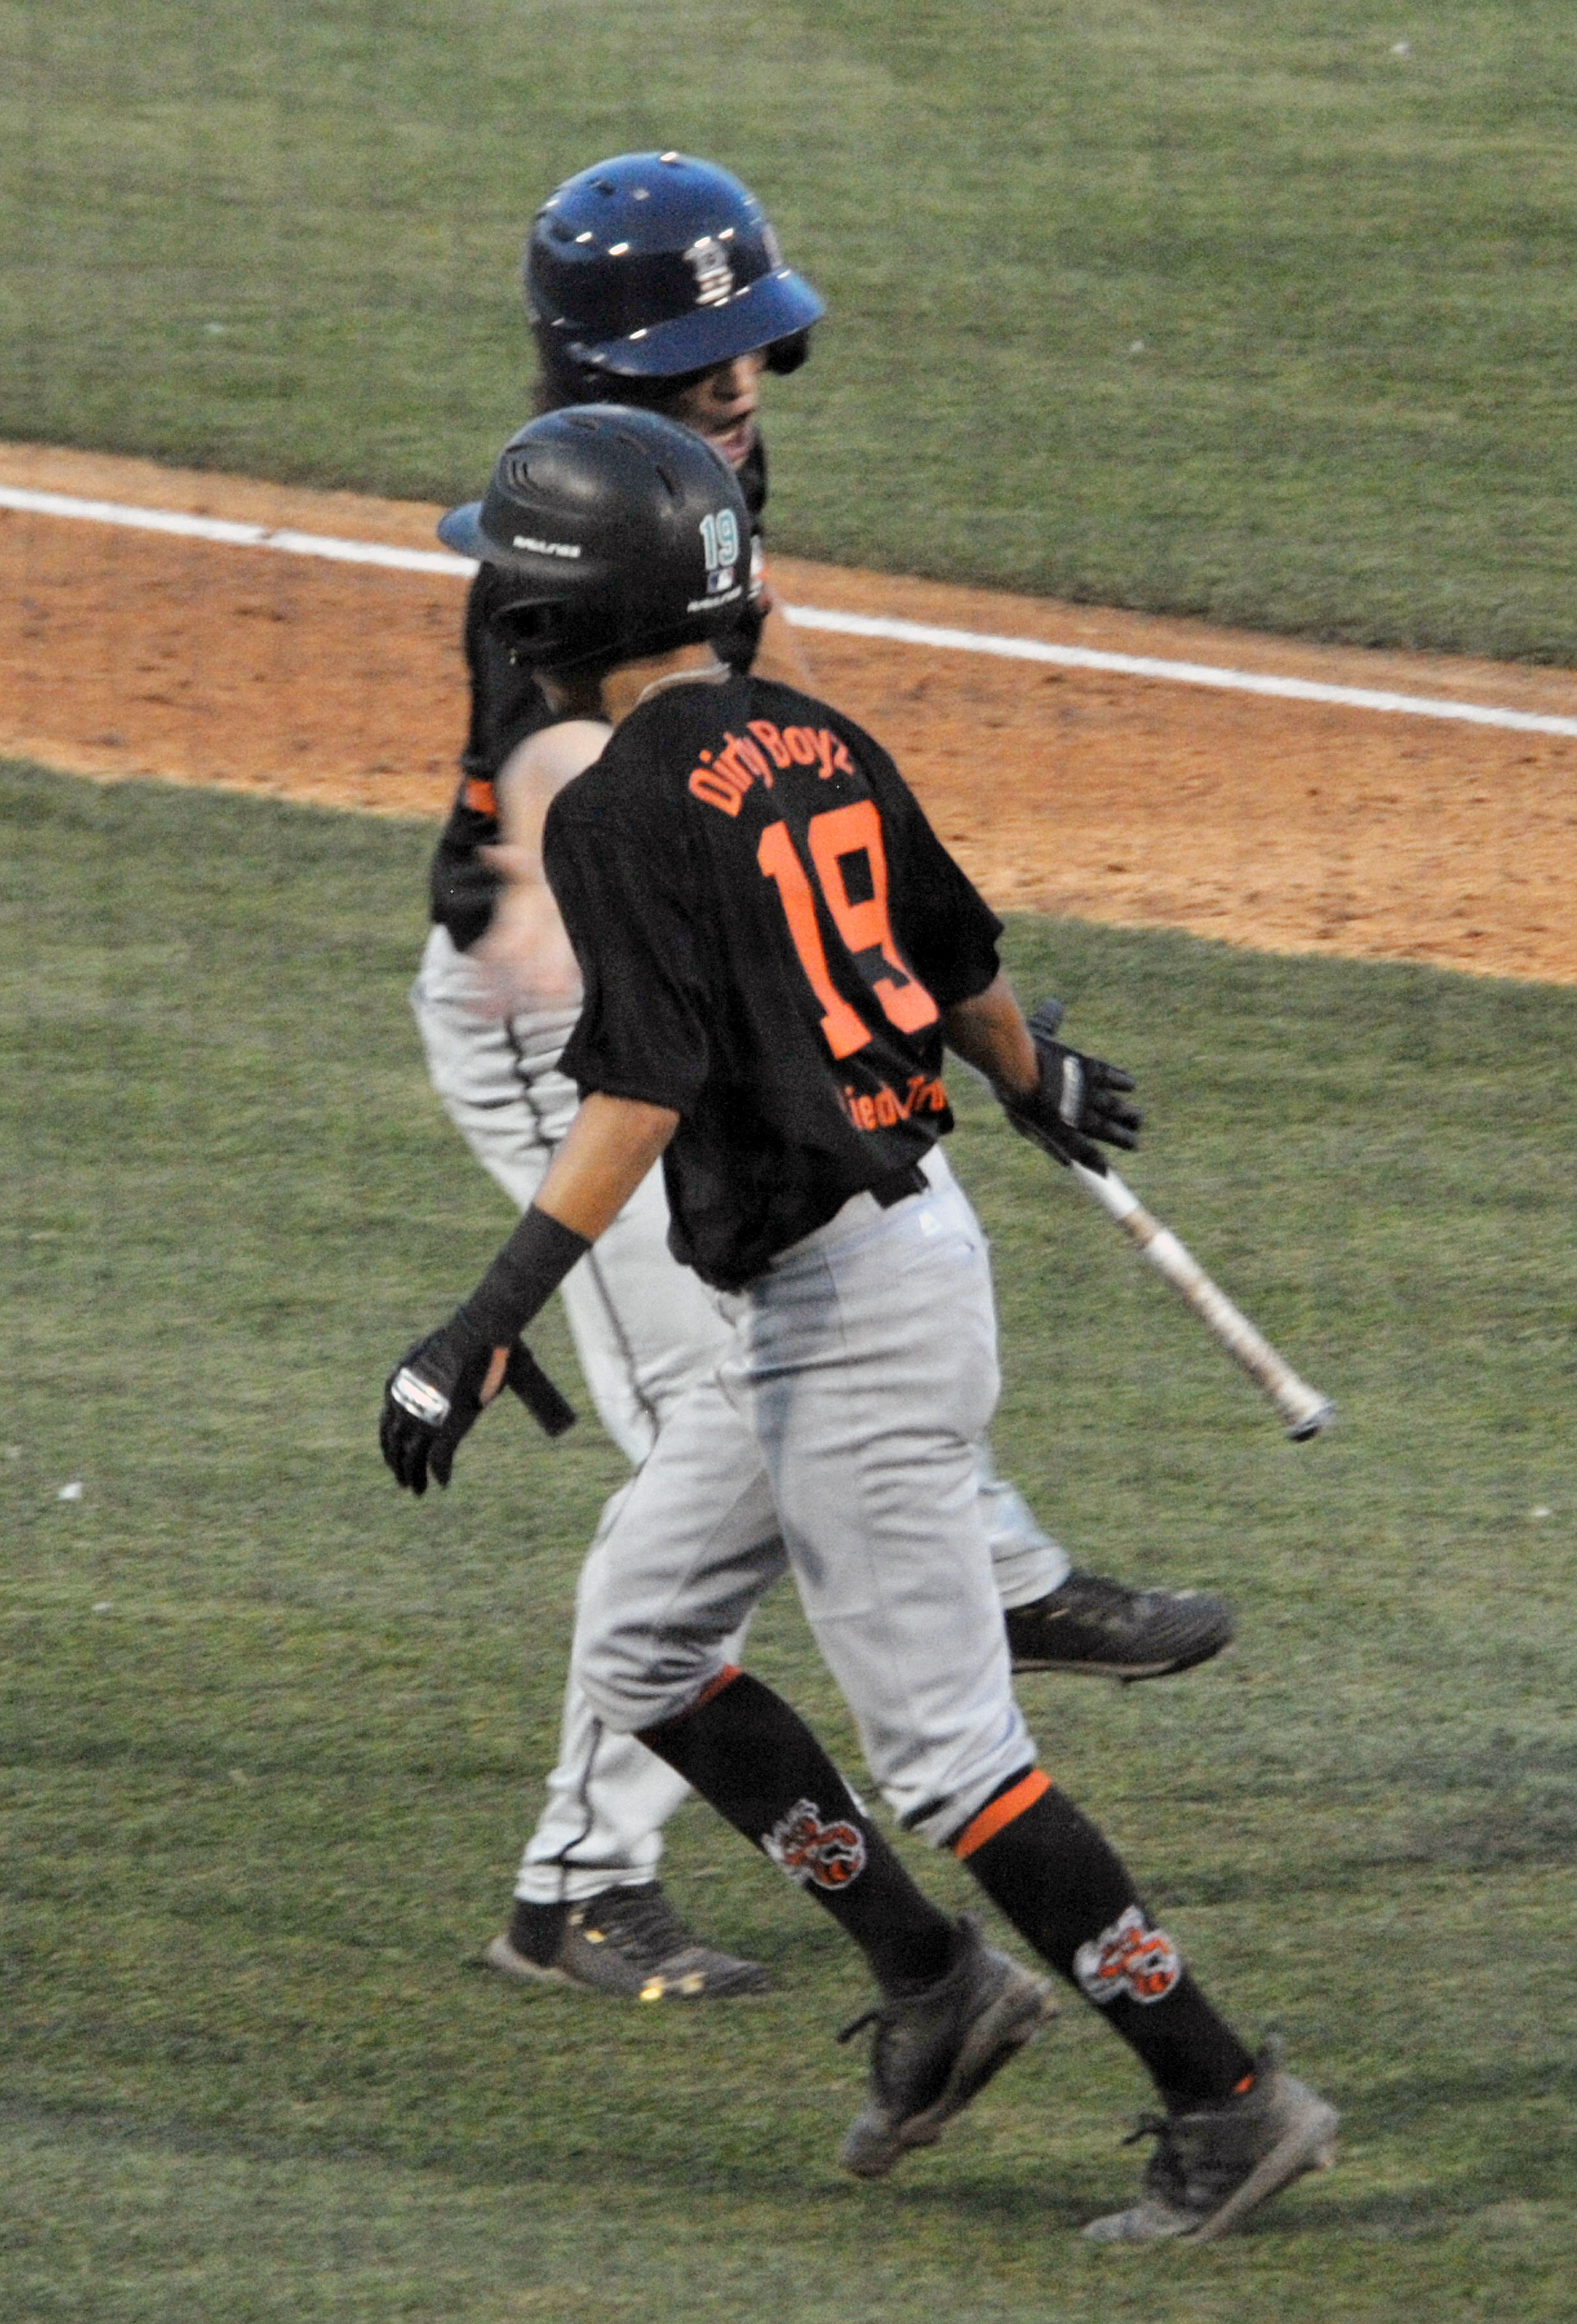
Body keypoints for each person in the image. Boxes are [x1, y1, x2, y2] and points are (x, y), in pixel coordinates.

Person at [383, 405, 1340, 2245]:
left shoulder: (614, 804)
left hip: (852, 1323)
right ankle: (935, 1986)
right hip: (854, 1273)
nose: (494, 596)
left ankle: (1226, 2097)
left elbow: (642, 1089)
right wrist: (1033, 1067)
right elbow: (953, 949)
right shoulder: (809, 734)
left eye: (509, 571)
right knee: (647, 1639)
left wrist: (480, 1324)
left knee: (954, 1761)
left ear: (559, 608)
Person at [412, 151, 1232, 2004]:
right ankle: (583, 1883)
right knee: (719, 1419)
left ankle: (981, 1576)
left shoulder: (699, 493)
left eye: (748, 341)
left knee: (768, 1406)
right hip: (566, 1012)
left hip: (688, 981)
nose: (739, 376)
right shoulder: (550, 568)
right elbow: (598, 879)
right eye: (697, 352)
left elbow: (750, 686)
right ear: (596, 371)